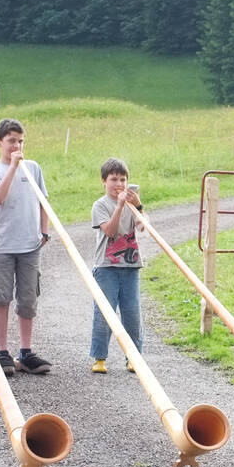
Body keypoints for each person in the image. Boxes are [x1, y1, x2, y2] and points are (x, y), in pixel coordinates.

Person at [0, 118, 52, 376]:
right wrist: (12, 166)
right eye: (12, 141)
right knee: (1, 297)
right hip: (2, 244)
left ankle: (25, 352)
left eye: (21, 141)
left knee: (28, 298)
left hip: (29, 244)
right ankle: (3, 352)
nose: (17, 145)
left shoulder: (33, 168)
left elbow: (43, 200)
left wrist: (44, 230)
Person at [88, 157, 143, 374]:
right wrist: (120, 205)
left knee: (132, 314)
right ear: (104, 181)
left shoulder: (132, 202)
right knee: (104, 314)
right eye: (113, 179)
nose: (118, 184)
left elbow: (142, 227)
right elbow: (110, 231)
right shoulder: (100, 205)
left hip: (130, 266)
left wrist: (138, 205)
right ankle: (99, 357)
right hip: (106, 267)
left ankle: (134, 357)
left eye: (122, 179)